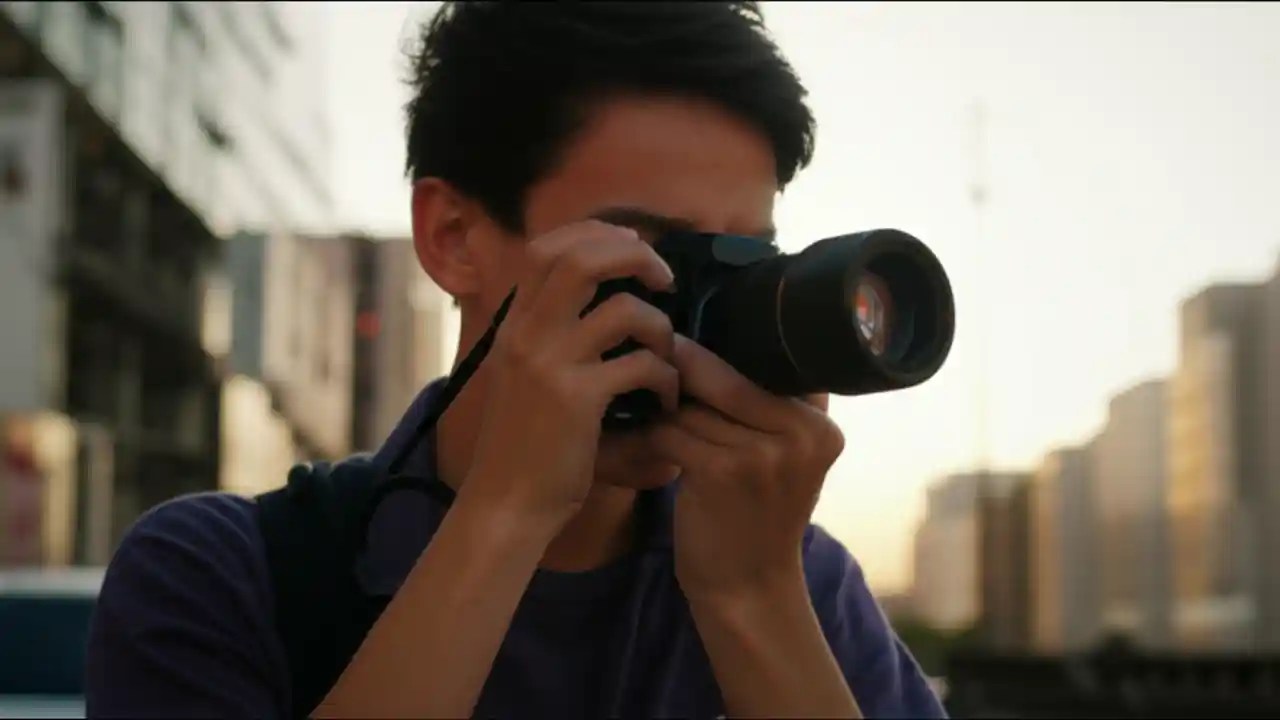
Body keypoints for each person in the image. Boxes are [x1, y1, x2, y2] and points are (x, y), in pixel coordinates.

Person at [85, 3, 946, 719]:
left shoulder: (803, 586)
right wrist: (508, 511)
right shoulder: (226, 576)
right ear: (453, 238)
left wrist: (755, 603)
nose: (700, 314)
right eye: (649, 247)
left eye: (744, 258)